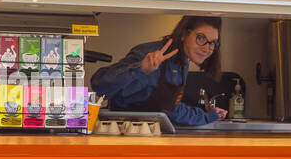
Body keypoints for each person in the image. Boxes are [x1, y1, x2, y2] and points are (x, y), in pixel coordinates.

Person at [90, 15, 228, 126]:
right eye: (201, 38)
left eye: (213, 43)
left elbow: (170, 108)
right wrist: (141, 68)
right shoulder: (151, 54)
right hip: (124, 136)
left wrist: (207, 116)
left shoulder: (181, 62)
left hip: (150, 137)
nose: (206, 48)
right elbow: (100, 86)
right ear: (184, 34)